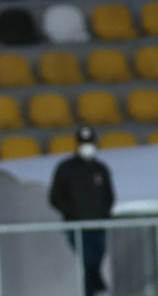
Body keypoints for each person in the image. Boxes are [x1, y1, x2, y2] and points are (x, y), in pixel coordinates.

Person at [49, 125, 115, 296]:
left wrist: (103, 214)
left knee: (96, 259)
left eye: (90, 142)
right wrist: (73, 213)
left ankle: (94, 289)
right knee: (89, 261)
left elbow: (109, 195)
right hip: (76, 226)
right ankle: (96, 288)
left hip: (98, 225)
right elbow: (55, 197)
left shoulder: (100, 168)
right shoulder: (66, 168)